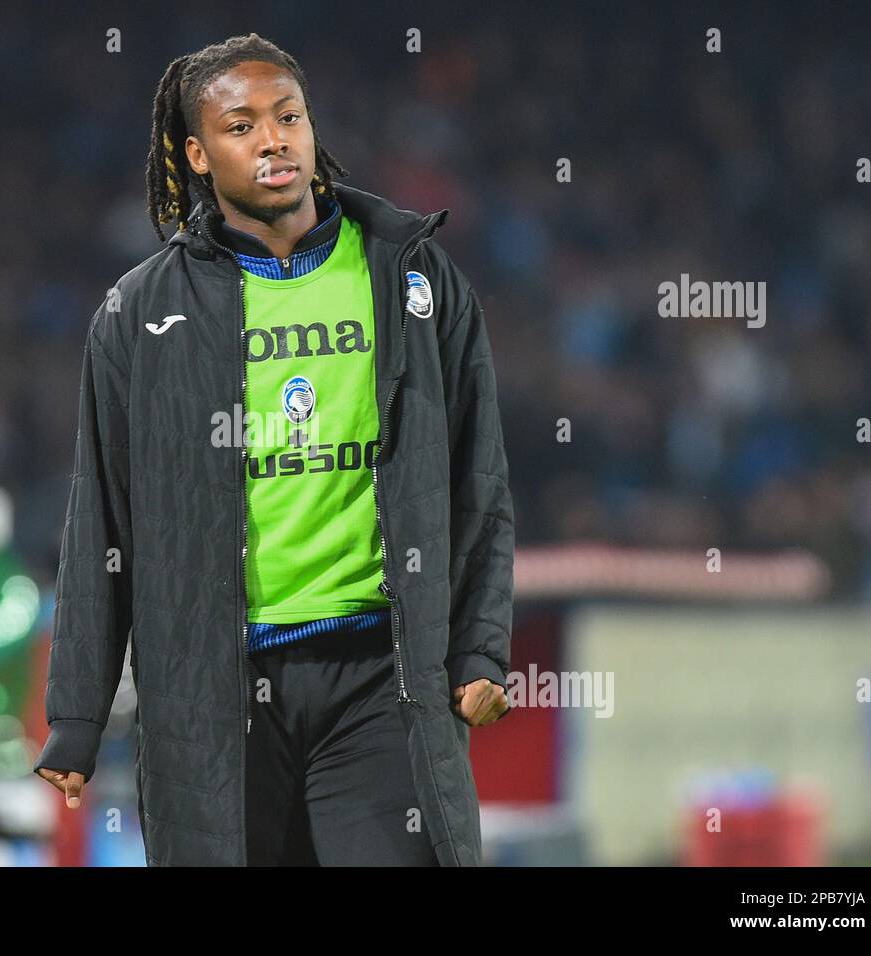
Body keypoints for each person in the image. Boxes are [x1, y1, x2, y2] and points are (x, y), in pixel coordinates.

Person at [34, 32, 514, 866]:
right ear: (195, 153)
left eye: (287, 116)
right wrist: (76, 718)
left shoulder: (413, 278)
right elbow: (102, 521)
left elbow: (478, 479)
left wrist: (479, 647)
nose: (273, 139)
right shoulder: (140, 313)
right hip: (213, 690)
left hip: (380, 673)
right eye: (241, 126)